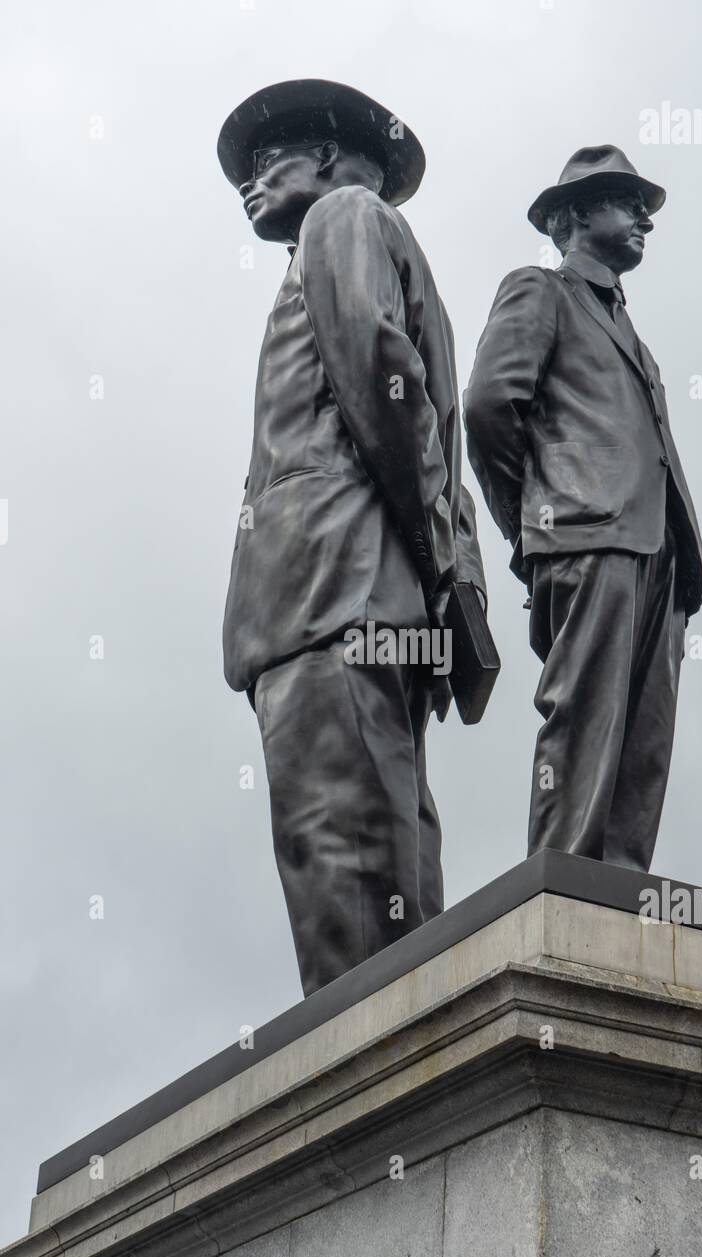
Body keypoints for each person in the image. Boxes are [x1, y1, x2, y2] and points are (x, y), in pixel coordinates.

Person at [217, 80, 485, 993]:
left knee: (339, 858)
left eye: (267, 160)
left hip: (329, 588)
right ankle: (409, 1083)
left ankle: (373, 1107)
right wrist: (446, 587)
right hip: (367, 593)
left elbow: (383, 377)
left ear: (329, 157)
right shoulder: (358, 235)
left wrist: (442, 574)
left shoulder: (344, 216)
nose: (247, 182)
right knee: (385, 860)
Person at [464, 145, 702, 871]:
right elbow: (485, 408)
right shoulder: (540, 291)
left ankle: (621, 890)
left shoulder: (633, 336)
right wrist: (538, 524)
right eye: (625, 203)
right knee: (583, 717)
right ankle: (561, 881)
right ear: (572, 216)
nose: (644, 222)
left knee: (643, 736)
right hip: (585, 534)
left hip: (660, 553)